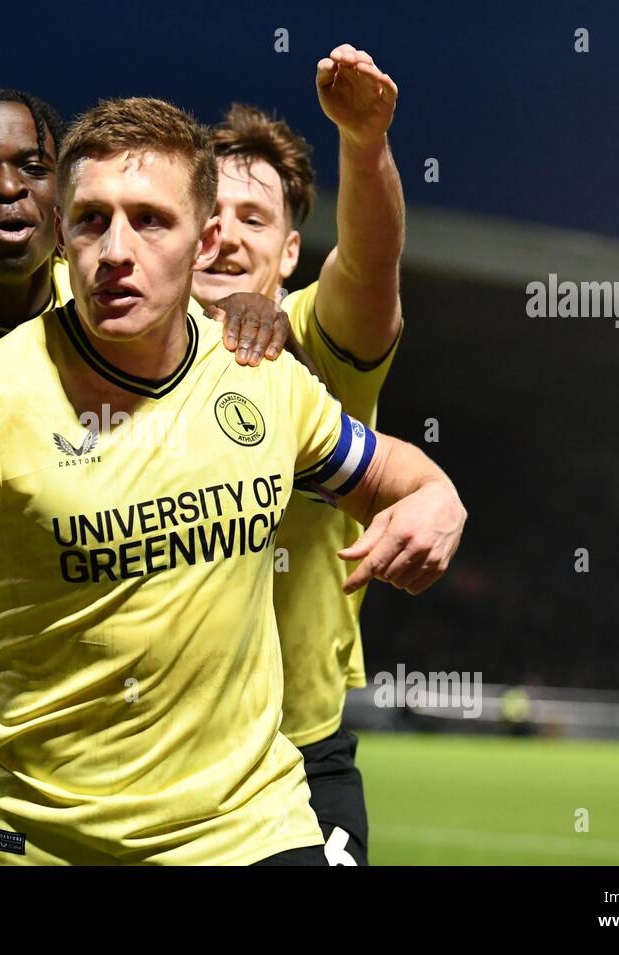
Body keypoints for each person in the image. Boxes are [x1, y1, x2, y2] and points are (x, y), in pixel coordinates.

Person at [0, 96, 466, 865]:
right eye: (93, 220)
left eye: (151, 220)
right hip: (55, 836)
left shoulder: (259, 374)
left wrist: (438, 497)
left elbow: (396, 470)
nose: (117, 250)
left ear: (201, 243)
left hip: (254, 830)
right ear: (62, 234)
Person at [190, 43, 406, 864]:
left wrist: (365, 142)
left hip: (299, 749)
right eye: (210, 210)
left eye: (255, 219)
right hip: (144, 761)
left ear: (288, 254)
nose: (227, 235)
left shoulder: (317, 336)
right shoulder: (113, 338)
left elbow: (373, 259)